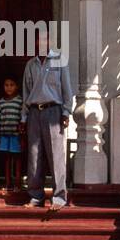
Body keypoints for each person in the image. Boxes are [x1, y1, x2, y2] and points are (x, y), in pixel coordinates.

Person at [21, 31, 75, 211]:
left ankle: (59, 198)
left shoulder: (60, 60)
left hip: (54, 111)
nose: (43, 42)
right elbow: (26, 93)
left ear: (51, 41)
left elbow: (67, 88)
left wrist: (66, 112)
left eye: (46, 39)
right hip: (35, 112)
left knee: (56, 156)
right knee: (34, 156)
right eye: (39, 39)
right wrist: (24, 116)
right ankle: (36, 196)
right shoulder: (31, 64)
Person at [0, 77, 24, 192]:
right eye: (6, 85)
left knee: (17, 158)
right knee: (7, 158)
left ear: (16, 86)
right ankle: (8, 183)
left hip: (16, 135)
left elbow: (22, 117)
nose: (8, 87)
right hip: (4, 134)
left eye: (11, 85)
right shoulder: (1, 102)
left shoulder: (19, 101)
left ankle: (17, 183)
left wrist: (22, 134)